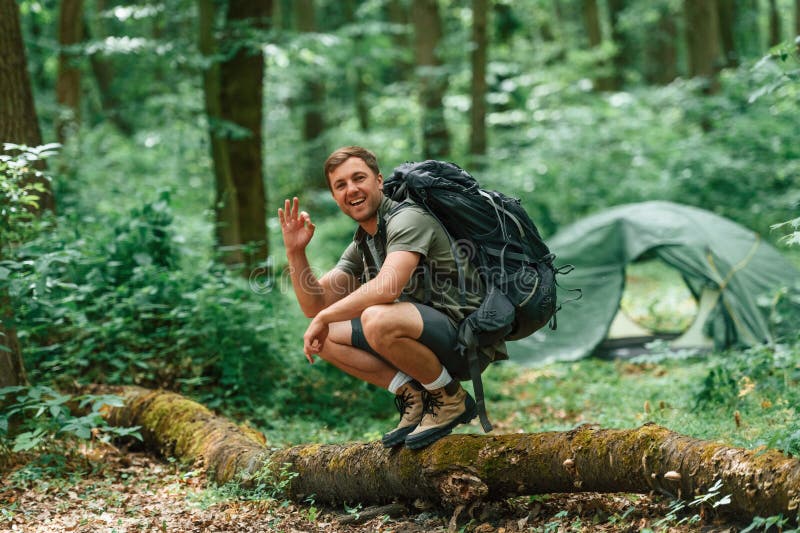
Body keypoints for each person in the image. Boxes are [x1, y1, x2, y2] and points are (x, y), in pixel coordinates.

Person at [278, 146, 489, 449]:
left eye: (358, 178)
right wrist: (295, 251)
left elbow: (387, 286)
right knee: (323, 337)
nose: (351, 190)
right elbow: (314, 304)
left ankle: (449, 398)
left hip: (463, 339)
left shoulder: (408, 219)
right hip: (423, 338)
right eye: (340, 185)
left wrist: (325, 316)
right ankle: (415, 397)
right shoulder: (364, 241)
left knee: (375, 317)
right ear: (335, 197)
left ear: (378, 181)